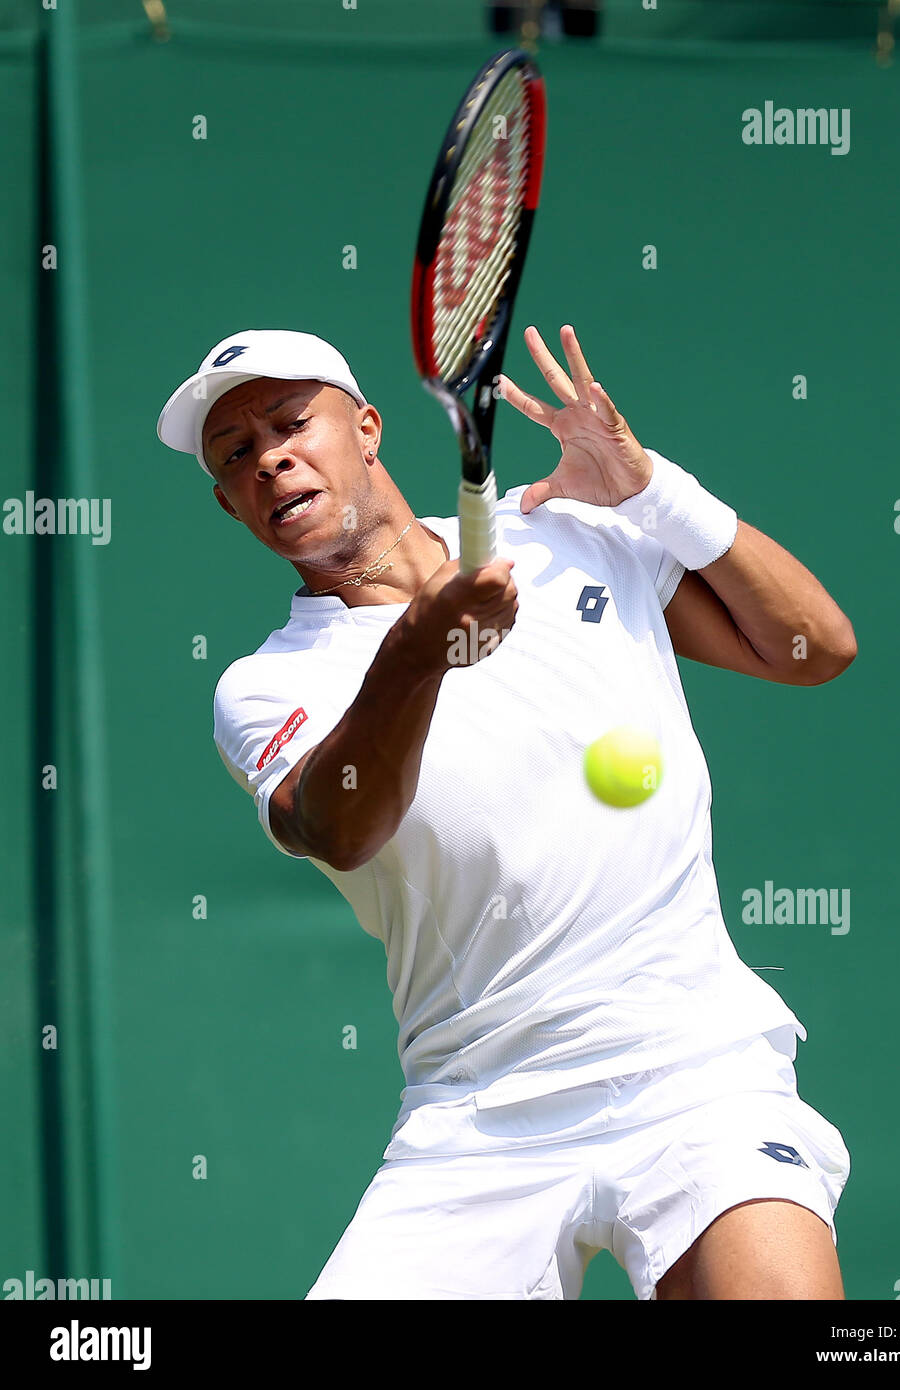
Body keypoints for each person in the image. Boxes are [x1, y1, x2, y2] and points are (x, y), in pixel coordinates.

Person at [156, 324, 857, 1301]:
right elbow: (338, 826)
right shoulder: (264, 687)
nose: (268, 458)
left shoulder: (567, 536)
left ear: (367, 428)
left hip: (695, 1073)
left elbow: (812, 647)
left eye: (288, 423)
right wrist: (417, 651)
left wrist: (651, 489)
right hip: (474, 1122)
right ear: (229, 503)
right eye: (235, 454)